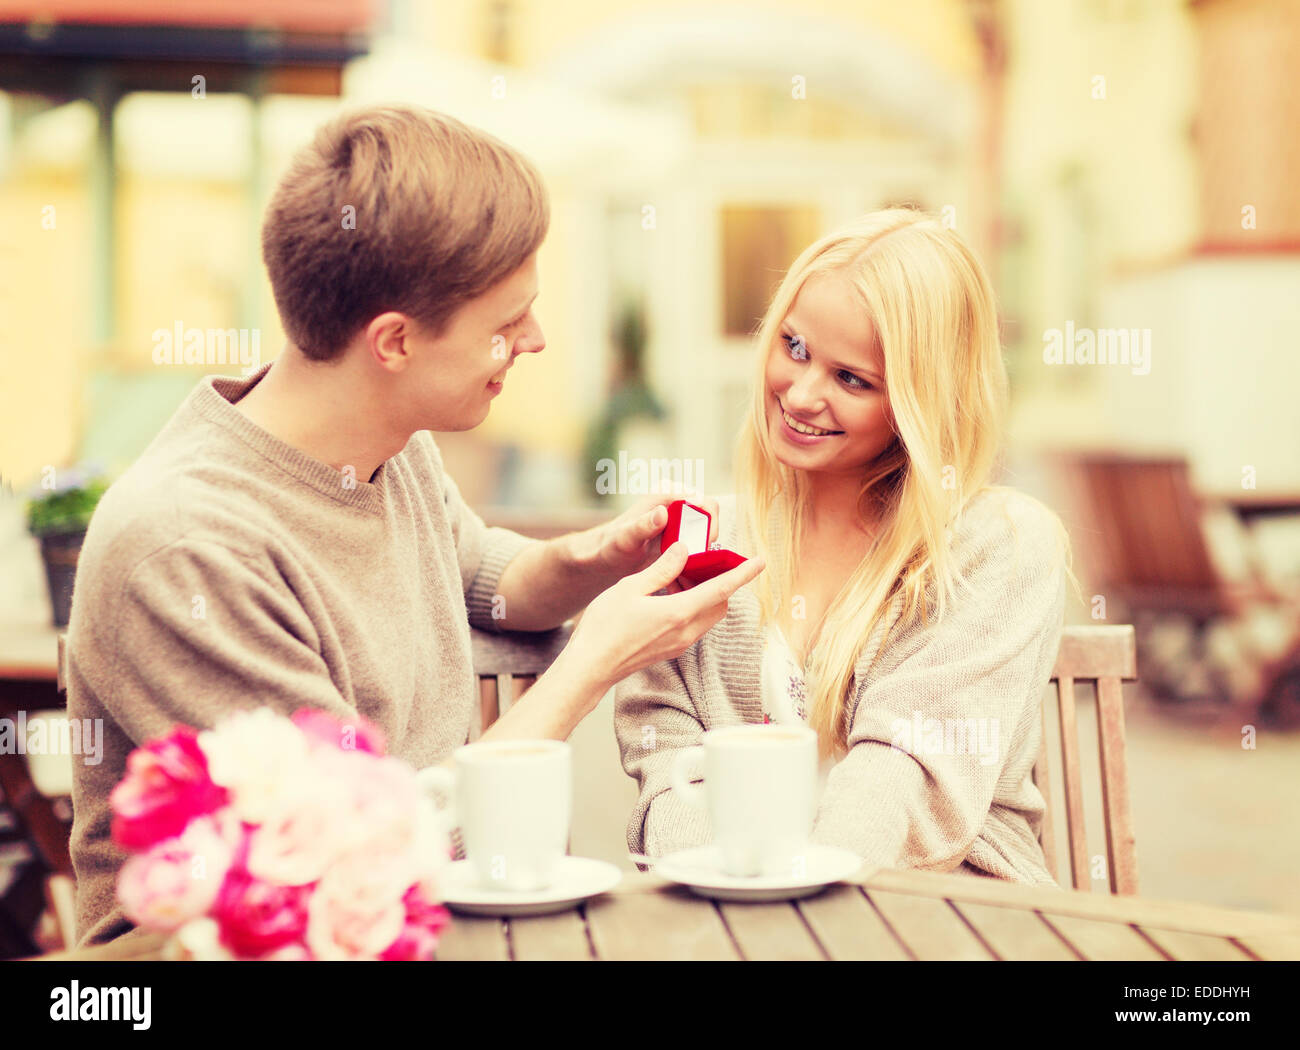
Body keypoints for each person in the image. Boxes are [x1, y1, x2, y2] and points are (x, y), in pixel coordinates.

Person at [66, 104, 763, 948]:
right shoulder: (185, 548)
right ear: (394, 341)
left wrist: (589, 562)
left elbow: (482, 583)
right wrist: (597, 660)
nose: (535, 340)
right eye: (507, 326)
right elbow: (359, 854)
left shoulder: (389, 446)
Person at [614, 209, 1078, 884]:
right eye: (795, 348)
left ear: (920, 400)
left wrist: (802, 909)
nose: (800, 395)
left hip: (941, 912)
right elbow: (666, 753)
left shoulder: (996, 545)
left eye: (851, 379)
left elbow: (907, 770)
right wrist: (710, 892)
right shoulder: (703, 536)